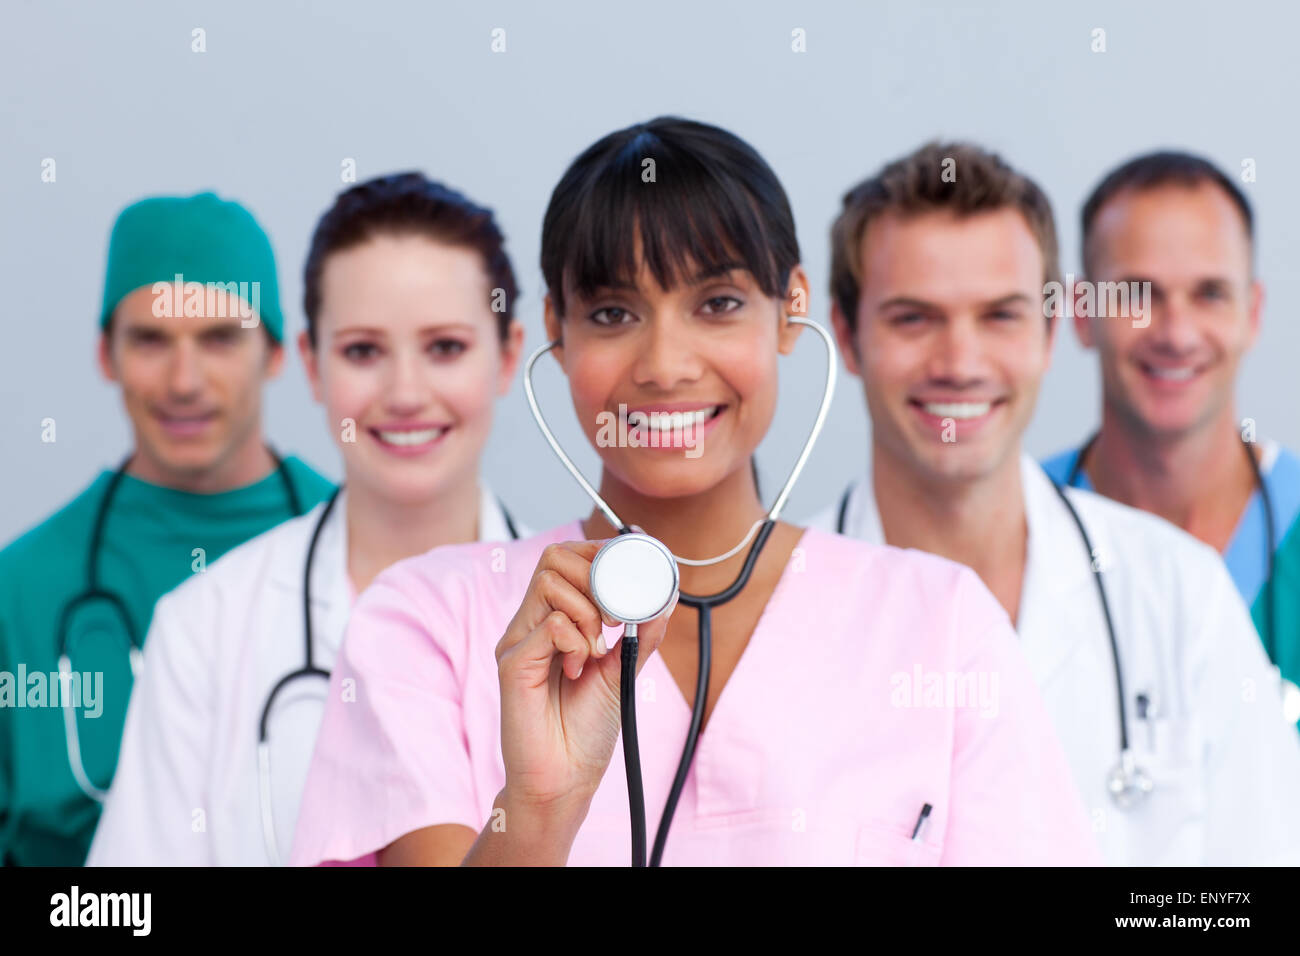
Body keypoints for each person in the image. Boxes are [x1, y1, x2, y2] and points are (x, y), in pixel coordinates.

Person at [290, 117, 1101, 867]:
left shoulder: (943, 624)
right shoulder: (426, 624)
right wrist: (537, 809)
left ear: (790, 314)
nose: (666, 366)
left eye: (718, 304)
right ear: (556, 331)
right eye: (613, 313)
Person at [811, 142, 1300, 865]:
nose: (960, 364)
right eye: (913, 318)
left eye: (1000, 316)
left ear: (1048, 332)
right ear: (848, 337)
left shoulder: (1183, 594)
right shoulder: (773, 619)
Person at [85, 173, 529, 866]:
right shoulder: (204, 627)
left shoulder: (586, 626)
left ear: (506, 356)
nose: (405, 394)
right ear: (312, 366)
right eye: (362, 351)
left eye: (445, 347)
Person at [0, 192, 333, 865]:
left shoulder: (371, 553)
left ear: (275, 354)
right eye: (151, 340)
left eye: (220, 339)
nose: (184, 382)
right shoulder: (21, 589)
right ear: (106, 354)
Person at [1042, 151, 1300, 722]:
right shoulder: (1012, 529)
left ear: (1253, 313)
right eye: (1137, 294)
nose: (1176, 334)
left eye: (1210, 293)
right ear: (1081, 313)